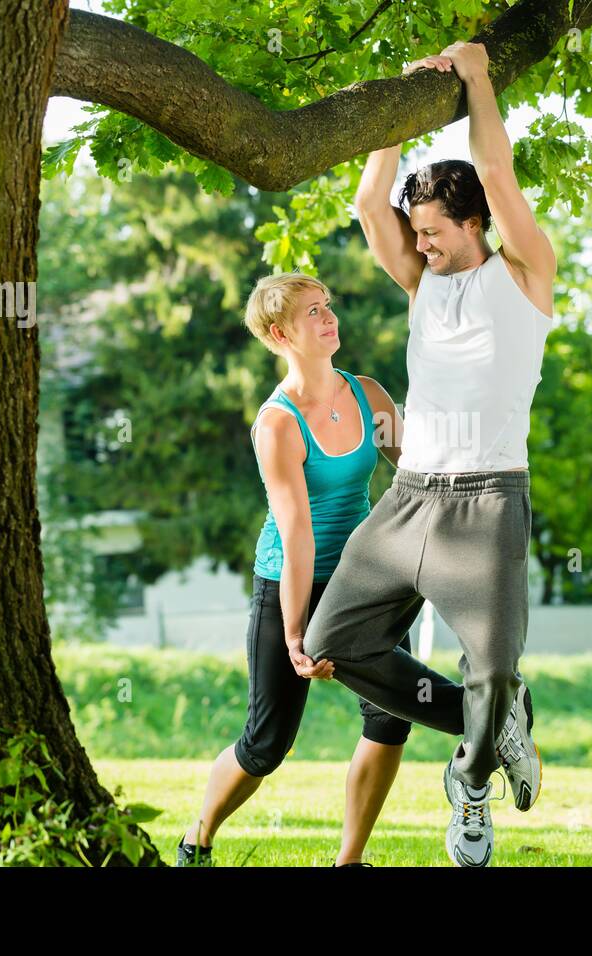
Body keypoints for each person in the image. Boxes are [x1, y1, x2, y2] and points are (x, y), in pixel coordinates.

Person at [299, 40, 555, 867]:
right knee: (333, 636)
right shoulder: (424, 284)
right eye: (419, 233)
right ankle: (490, 722)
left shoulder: (524, 274)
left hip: (486, 503)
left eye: (435, 231)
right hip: (409, 500)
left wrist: (477, 78)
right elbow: (371, 203)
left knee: (493, 667)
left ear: (474, 223)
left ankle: (473, 779)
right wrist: (400, 112)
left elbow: (498, 168)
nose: (423, 243)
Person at [175, 271, 445, 867]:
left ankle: (349, 861)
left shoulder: (368, 395)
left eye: (328, 307)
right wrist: (296, 633)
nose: (329, 319)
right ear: (280, 334)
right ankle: (197, 840)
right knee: (268, 742)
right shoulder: (277, 423)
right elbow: (297, 534)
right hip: (289, 579)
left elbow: (422, 472)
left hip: (364, 578)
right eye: (313, 314)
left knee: (389, 717)